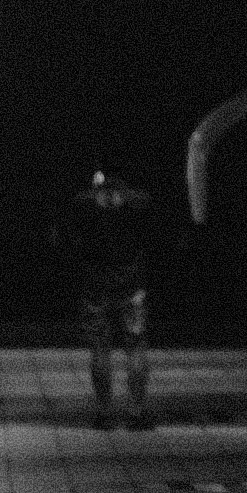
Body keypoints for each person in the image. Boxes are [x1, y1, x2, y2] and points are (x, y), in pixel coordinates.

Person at [64, 164, 160, 430]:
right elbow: (153, 239)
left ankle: (104, 412)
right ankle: (137, 412)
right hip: (132, 289)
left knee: (100, 350)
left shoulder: (84, 205)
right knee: (136, 348)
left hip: (96, 288)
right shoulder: (139, 205)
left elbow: (72, 240)